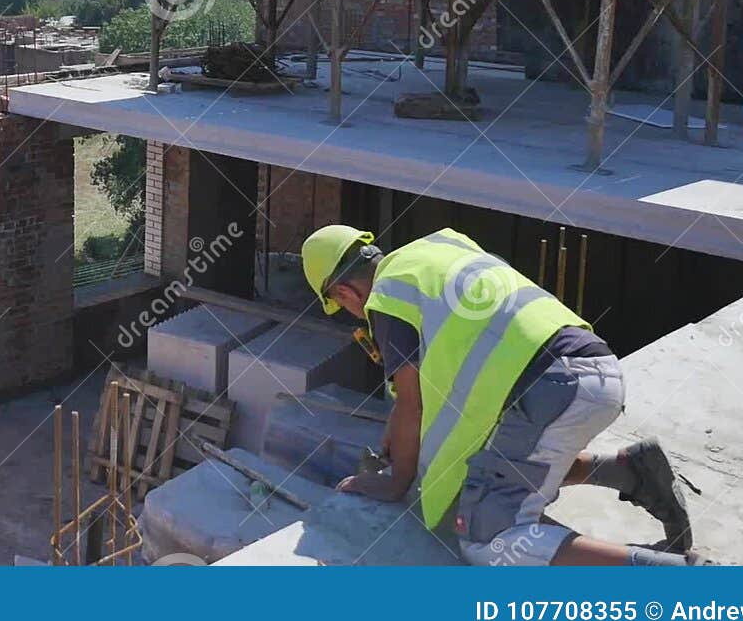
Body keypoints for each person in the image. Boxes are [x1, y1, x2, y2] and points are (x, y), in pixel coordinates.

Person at [300, 224, 700, 566]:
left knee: (488, 538)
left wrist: (395, 482)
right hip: (591, 369)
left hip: (549, 390)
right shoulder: (438, 248)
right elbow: (429, 384)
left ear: (344, 292)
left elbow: (412, 403)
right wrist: (399, 431)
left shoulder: (386, 299)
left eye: (340, 305)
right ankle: (629, 471)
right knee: (490, 469)